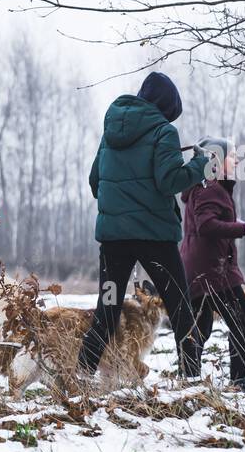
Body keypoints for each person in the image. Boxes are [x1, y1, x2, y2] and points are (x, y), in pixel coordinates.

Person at [78, 72, 208, 380]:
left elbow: (95, 181)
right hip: (156, 239)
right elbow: (169, 181)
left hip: (114, 243)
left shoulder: (110, 131)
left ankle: (81, 375)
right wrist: (199, 166)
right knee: (179, 307)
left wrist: (119, 206)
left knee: (107, 307)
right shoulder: (165, 131)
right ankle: (191, 377)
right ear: (166, 107)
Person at [181, 138, 245, 389]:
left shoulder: (207, 186)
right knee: (242, 317)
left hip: (201, 267)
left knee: (200, 325)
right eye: (232, 155)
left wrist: (236, 222)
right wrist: (244, 227)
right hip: (213, 270)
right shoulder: (211, 188)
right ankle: (238, 380)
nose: (237, 160)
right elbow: (206, 225)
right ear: (216, 161)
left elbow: (210, 219)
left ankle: (189, 376)